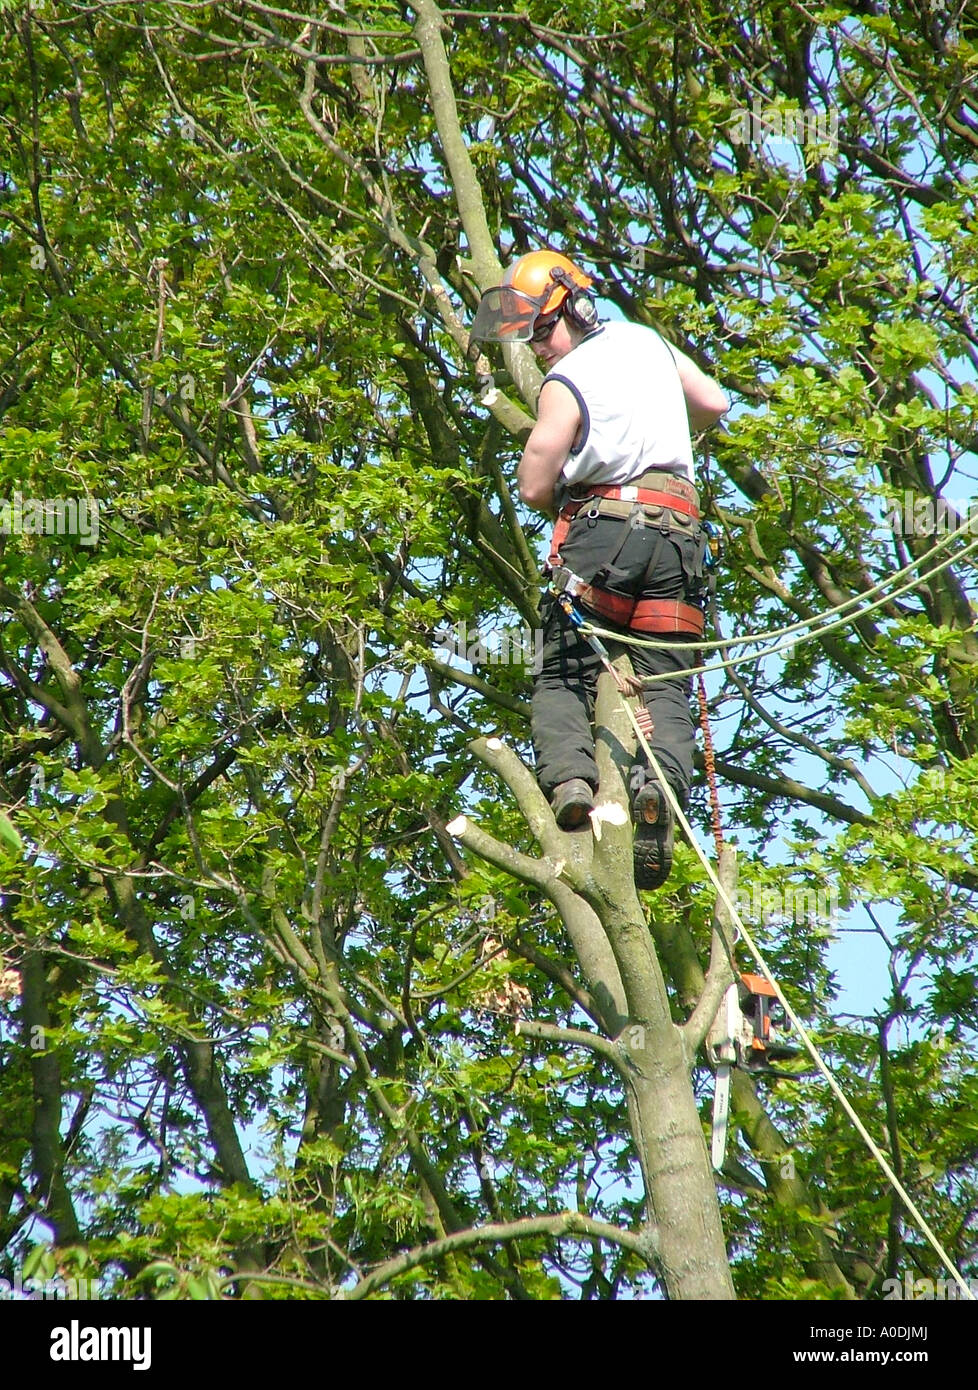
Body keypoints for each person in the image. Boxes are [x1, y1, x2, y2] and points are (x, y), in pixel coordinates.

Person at [470, 249, 728, 888]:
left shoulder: (568, 380)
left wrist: (566, 485)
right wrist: (661, 430)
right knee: (666, 681)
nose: (541, 347)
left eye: (544, 329)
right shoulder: (649, 346)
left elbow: (534, 482)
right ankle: (661, 785)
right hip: (679, 535)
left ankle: (570, 783)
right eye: (531, 336)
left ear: (578, 310)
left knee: (562, 663)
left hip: (602, 537)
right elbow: (715, 403)